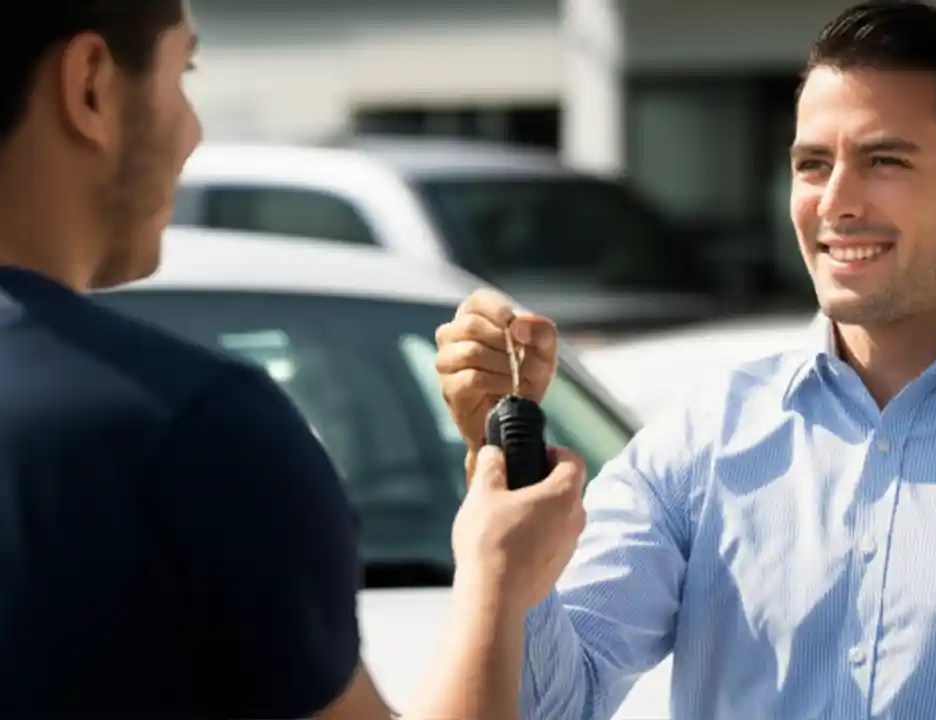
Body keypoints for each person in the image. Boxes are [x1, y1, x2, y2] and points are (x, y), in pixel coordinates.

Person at [432, 1, 936, 718]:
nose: (837, 200)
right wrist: (510, 458)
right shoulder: (700, 448)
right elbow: (555, 707)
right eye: (812, 163)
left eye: (885, 161)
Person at [0, 3, 586, 718]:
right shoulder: (191, 433)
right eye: (182, 73)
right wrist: (499, 575)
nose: (193, 131)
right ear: (90, 84)